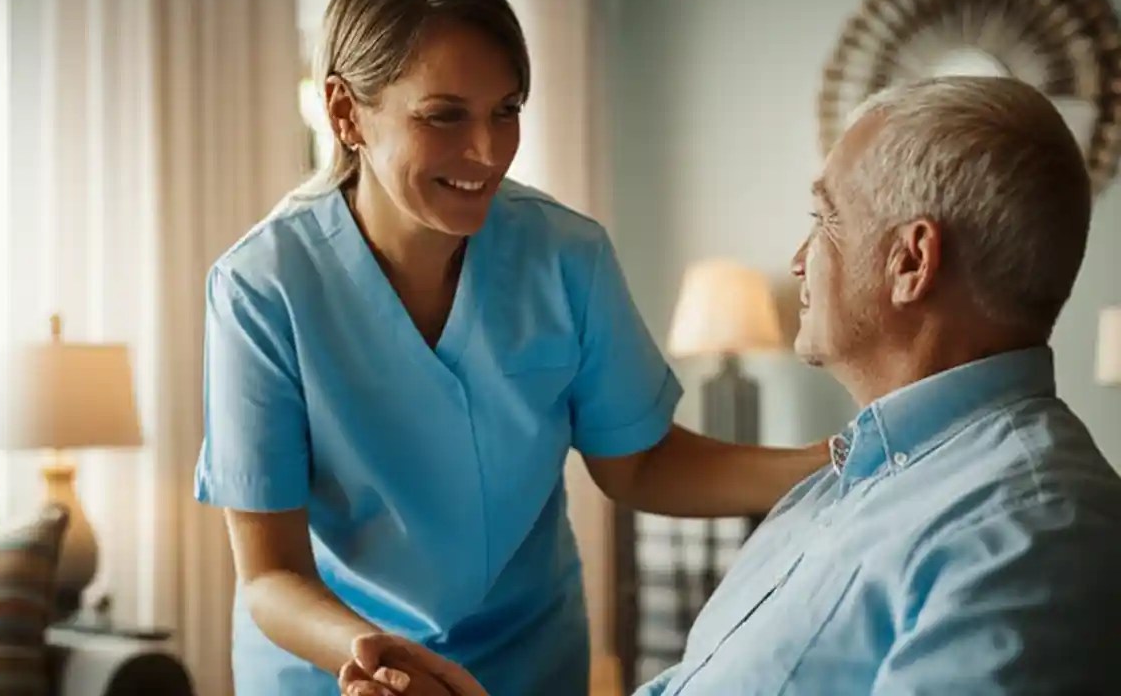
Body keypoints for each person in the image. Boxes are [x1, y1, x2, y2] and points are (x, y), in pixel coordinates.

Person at [344, 76, 1121, 695]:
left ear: (911, 263)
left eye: (826, 221)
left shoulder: (1033, 533)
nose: (798, 258)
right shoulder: (845, 486)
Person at [194, 0, 826, 694]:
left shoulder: (566, 255)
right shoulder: (263, 286)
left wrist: (830, 461)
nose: (489, 150)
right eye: (444, 116)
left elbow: (639, 465)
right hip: (336, 664)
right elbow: (272, 573)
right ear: (345, 113)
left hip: (526, 660)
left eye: (506, 111)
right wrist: (381, 661)